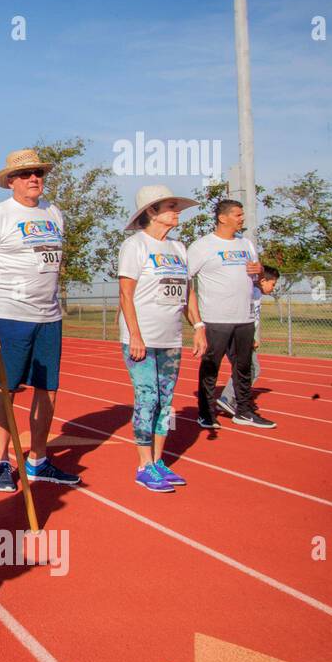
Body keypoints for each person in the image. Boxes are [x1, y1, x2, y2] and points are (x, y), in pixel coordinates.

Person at [0, 148, 82, 493]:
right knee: (6, 390)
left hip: (49, 317)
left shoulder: (55, 213)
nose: (33, 178)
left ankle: (38, 460)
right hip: (10, 316)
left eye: (38, 173)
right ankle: (2, 461)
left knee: (47, 390)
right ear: (10, 182)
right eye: (25, 174)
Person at [116, 186, 207, 492]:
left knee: (166, 403)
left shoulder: (180, 249)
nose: (177, 211)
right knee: (148, 398)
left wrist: (198, 326)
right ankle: (143, 465)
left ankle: (158, 461)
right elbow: (126, 293)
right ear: (152, 213)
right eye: (171, 206)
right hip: (141, 339)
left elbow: (187, 292)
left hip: (171, 339)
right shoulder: (135, 246)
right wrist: (136, 335)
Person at [188, 198, 277, 429]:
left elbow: (256, 279)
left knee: (244, 367)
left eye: (242, 214)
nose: (242, 218)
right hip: (216, 319)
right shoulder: (202, 246)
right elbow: (185, 279)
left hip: (244, 318)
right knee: (211, 367)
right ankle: (206, 413)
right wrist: (197, 322)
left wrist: (258, 272)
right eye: (238, 214)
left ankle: (244, 411)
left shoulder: (246, 244)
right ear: (223, 217)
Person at [218, 264, 280, 418]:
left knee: (249, 368)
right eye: (273, 284)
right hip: (240, 334)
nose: (273, 288)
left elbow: (255, 317)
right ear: (263, 280)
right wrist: (249, 336)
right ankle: (229, 398)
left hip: (245, 335)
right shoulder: (251, 292)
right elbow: (244, 313)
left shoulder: (257, 294)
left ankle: (233, 398)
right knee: (251, 368)